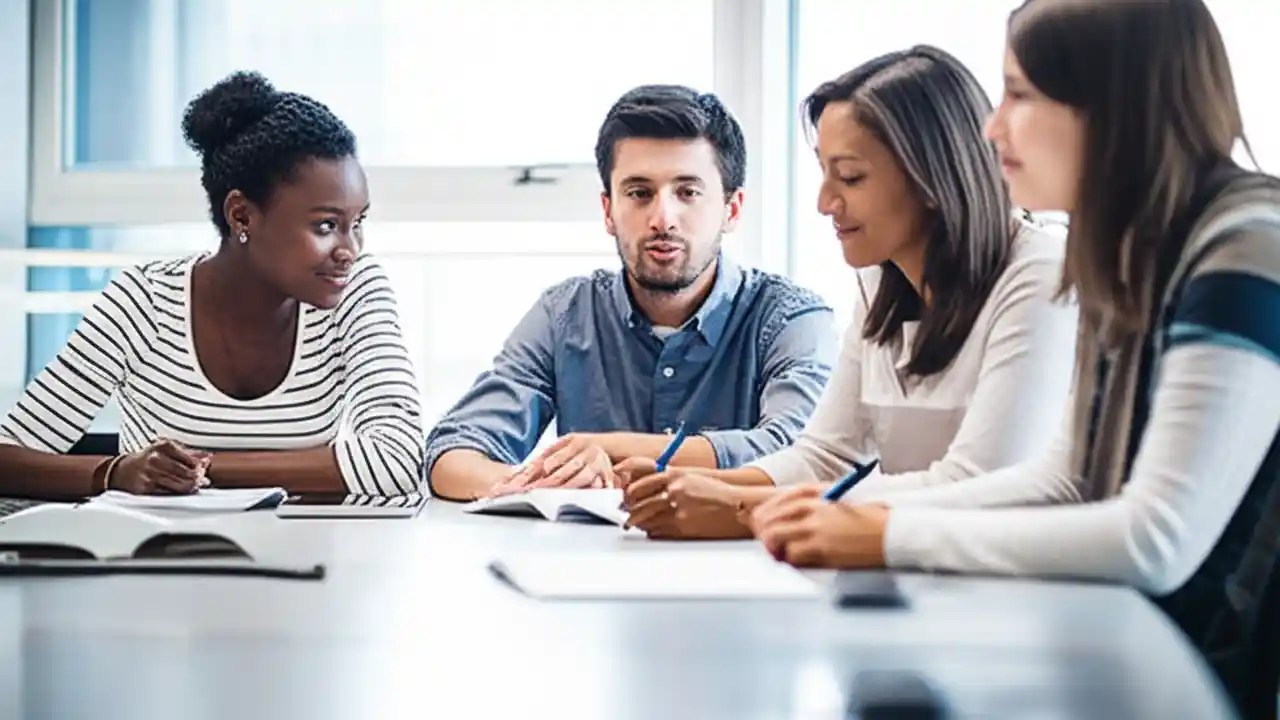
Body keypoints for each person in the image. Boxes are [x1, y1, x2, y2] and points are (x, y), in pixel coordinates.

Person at [753, 2, 1280, 716]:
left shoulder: (1247, 245)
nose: (993, 127)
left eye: (1020, 95)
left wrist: (889, 532)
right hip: (1133, 654)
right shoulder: (1123, 256)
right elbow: (1067, 479)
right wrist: (849, 516)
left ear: (1111, 103)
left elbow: (1156, 538)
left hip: (1202, 679)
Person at [619, 46, 1076, 539]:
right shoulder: (883, 281)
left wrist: (741, 507)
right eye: (823, 171)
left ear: (930, 176)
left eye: (851, 177)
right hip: (918, 568)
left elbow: (977, 486)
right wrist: (689, 488)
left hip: (1011, 586)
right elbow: (826, 454)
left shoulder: (1041, 277)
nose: (824, 202)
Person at [0, 71, 424, 499]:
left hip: (306, 560)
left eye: (358, 223)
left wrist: (198, 468)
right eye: (326, 225)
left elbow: (399, 460)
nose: (349, 248)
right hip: (155, 557)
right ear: (241, 215)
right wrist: (116, 473)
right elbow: (8, 457)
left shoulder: (356, 290)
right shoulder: (146, 301)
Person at [426, 85, 836, 501]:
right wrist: (546, 485)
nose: (662, 218)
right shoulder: (564, 315)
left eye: (688, 193)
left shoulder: (792, 318)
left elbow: (807, 455)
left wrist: (614, 447)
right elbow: (452, 451)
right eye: (639, 193)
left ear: (732, 209)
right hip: (590, 561)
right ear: (608, 210)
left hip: (744, 563)